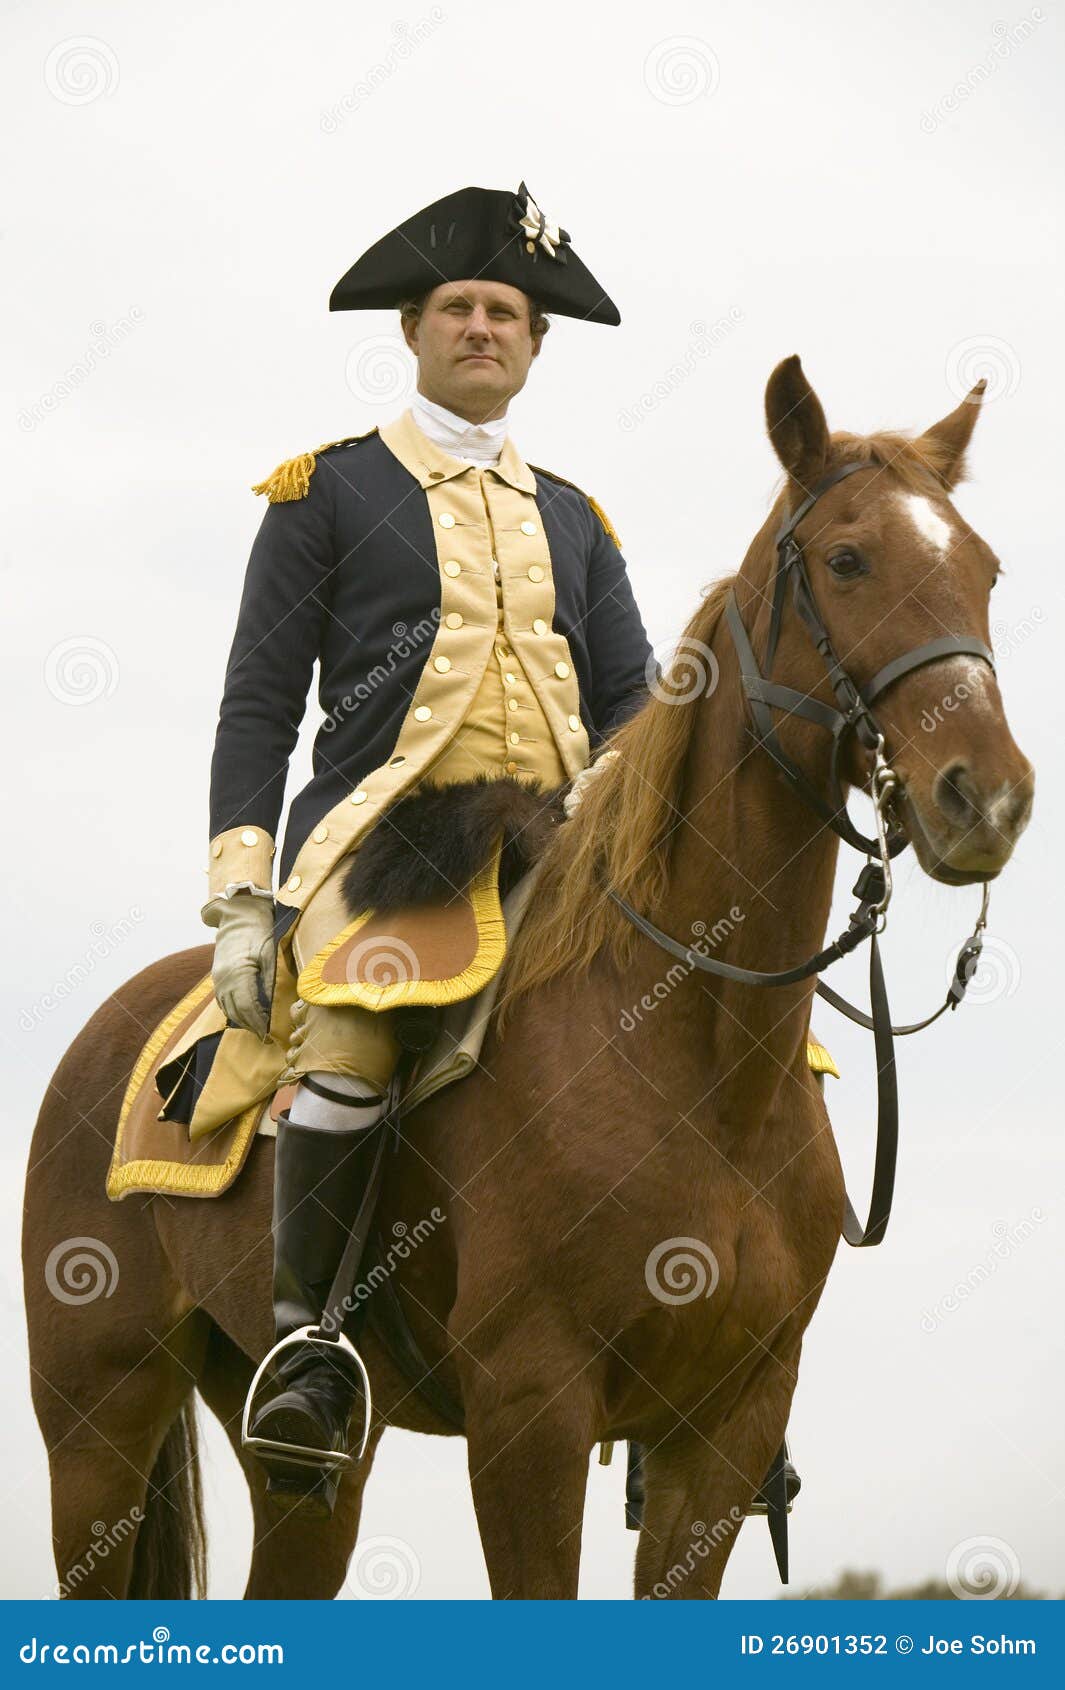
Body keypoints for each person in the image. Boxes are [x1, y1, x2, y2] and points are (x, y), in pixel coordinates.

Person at [201, 181, 653, 1511]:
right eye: (456, 307)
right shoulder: (326, 491)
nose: (479, 328)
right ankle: (307, 1346)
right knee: (351, 1030)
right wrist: (242, 894)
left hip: (557, 844)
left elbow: (632, 705)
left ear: (532, 344)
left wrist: (619, 816)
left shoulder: (577, 517)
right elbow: (257, 705)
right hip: (387, 843)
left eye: (502, 312)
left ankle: (703, 1348)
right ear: (413, 329)